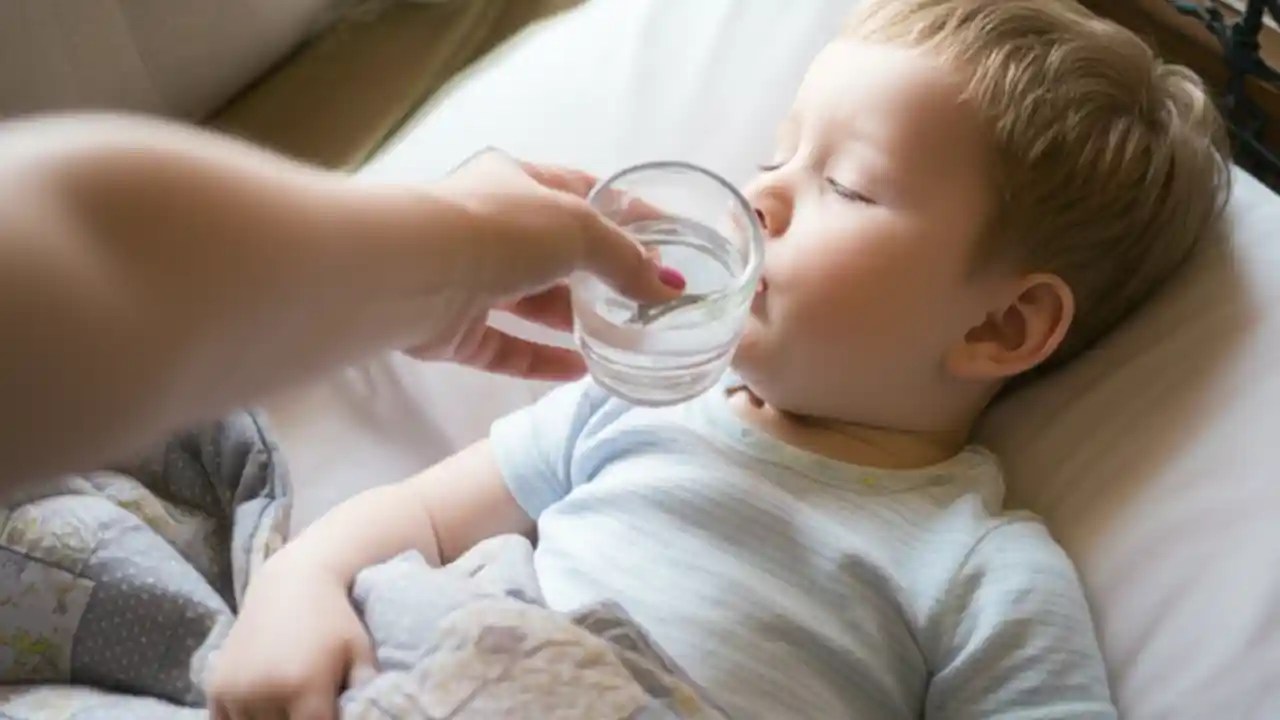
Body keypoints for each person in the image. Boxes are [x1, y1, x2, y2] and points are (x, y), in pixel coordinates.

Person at [209, 0, 1232, 717]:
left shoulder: (973, 570)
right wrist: (295, 587)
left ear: (997, 330)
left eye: (848, 183)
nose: (761, 196)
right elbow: (421, 517)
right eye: (776, 155)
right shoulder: (632, 405)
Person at [0, 116, 683, 490]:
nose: (761, 202)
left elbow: (97, 257)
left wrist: (448, 252)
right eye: (772, 159)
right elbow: (94, 261)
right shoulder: (606, 417)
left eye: (797, 185)